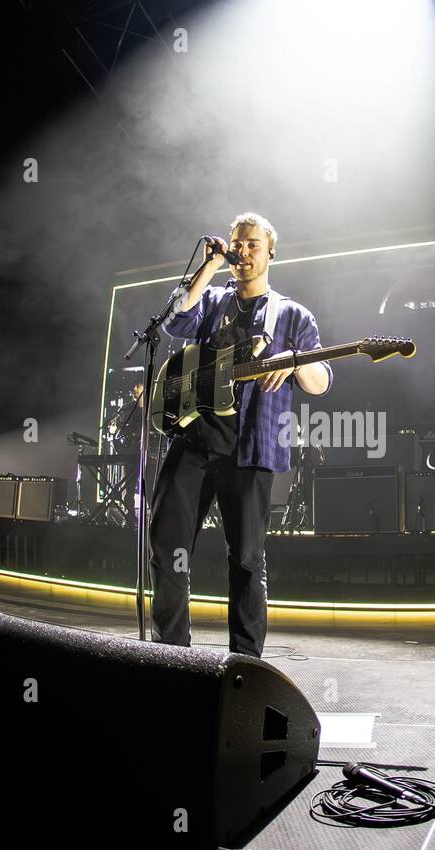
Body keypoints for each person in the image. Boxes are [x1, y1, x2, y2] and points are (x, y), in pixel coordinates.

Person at [149, 212, 331, 658]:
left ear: (271, 252)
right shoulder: (212, 301)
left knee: (246, 560)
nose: (243, 252)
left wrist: (292, 360)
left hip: (250, 450)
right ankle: (172, 655)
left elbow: (321, 381)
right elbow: (175, 322)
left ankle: (244, 667)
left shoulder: (290, 315)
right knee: (165, 543)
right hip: (192, 442)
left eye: (252, 244)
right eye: (236, 244)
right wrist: (208, 265)